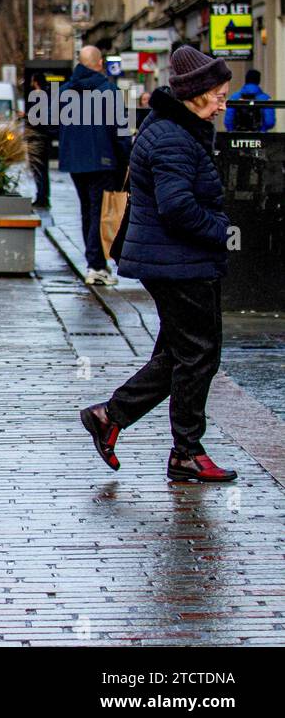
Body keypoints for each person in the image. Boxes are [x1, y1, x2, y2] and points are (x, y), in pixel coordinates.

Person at [81, 45, 237, 484]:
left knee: (179, 354)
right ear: (196, 93)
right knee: (199, 354)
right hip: (178, 263)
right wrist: (221, 230)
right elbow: (177, 207)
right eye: (219, 96)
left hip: (173, 260)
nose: (223, 104)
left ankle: (110, 416)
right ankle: (185, 451)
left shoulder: (176, 127)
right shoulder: (172, 135)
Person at [59, 45, 126, 286]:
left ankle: (94, 263)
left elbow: (51, 122)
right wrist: (126, 157)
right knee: (99, 212)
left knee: (87, 210)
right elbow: (120, 130)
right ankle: (96, 266)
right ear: (99, 64)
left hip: (75, 162)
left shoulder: (65, 90)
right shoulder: (109, 90)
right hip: (103, 161)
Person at [26, 73, 55, 209]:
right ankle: (44, 197)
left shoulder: (37, 96)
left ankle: (41, 197)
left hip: (36, 138)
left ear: (35, 81)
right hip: (45, 137)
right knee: (44, 169)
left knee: (38, 169)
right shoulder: (49, 95)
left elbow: (35, 117)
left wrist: (25, 116)